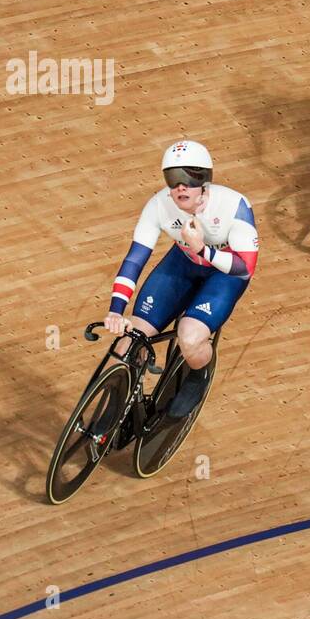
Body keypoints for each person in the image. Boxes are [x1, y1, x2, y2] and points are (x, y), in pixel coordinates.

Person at [101, 140, 258, 422]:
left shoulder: (235, 205)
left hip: (224, 275)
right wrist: (116, 308)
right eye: (173, 179)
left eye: (189, 178)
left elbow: (244, 267)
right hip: (182, 266)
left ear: (204, 181)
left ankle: (198, 374)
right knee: (128, 342)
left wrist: (202, 250)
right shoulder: (158, 205)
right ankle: (114, 408)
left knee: (189, 336)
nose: (180, 187)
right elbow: (135, 259)